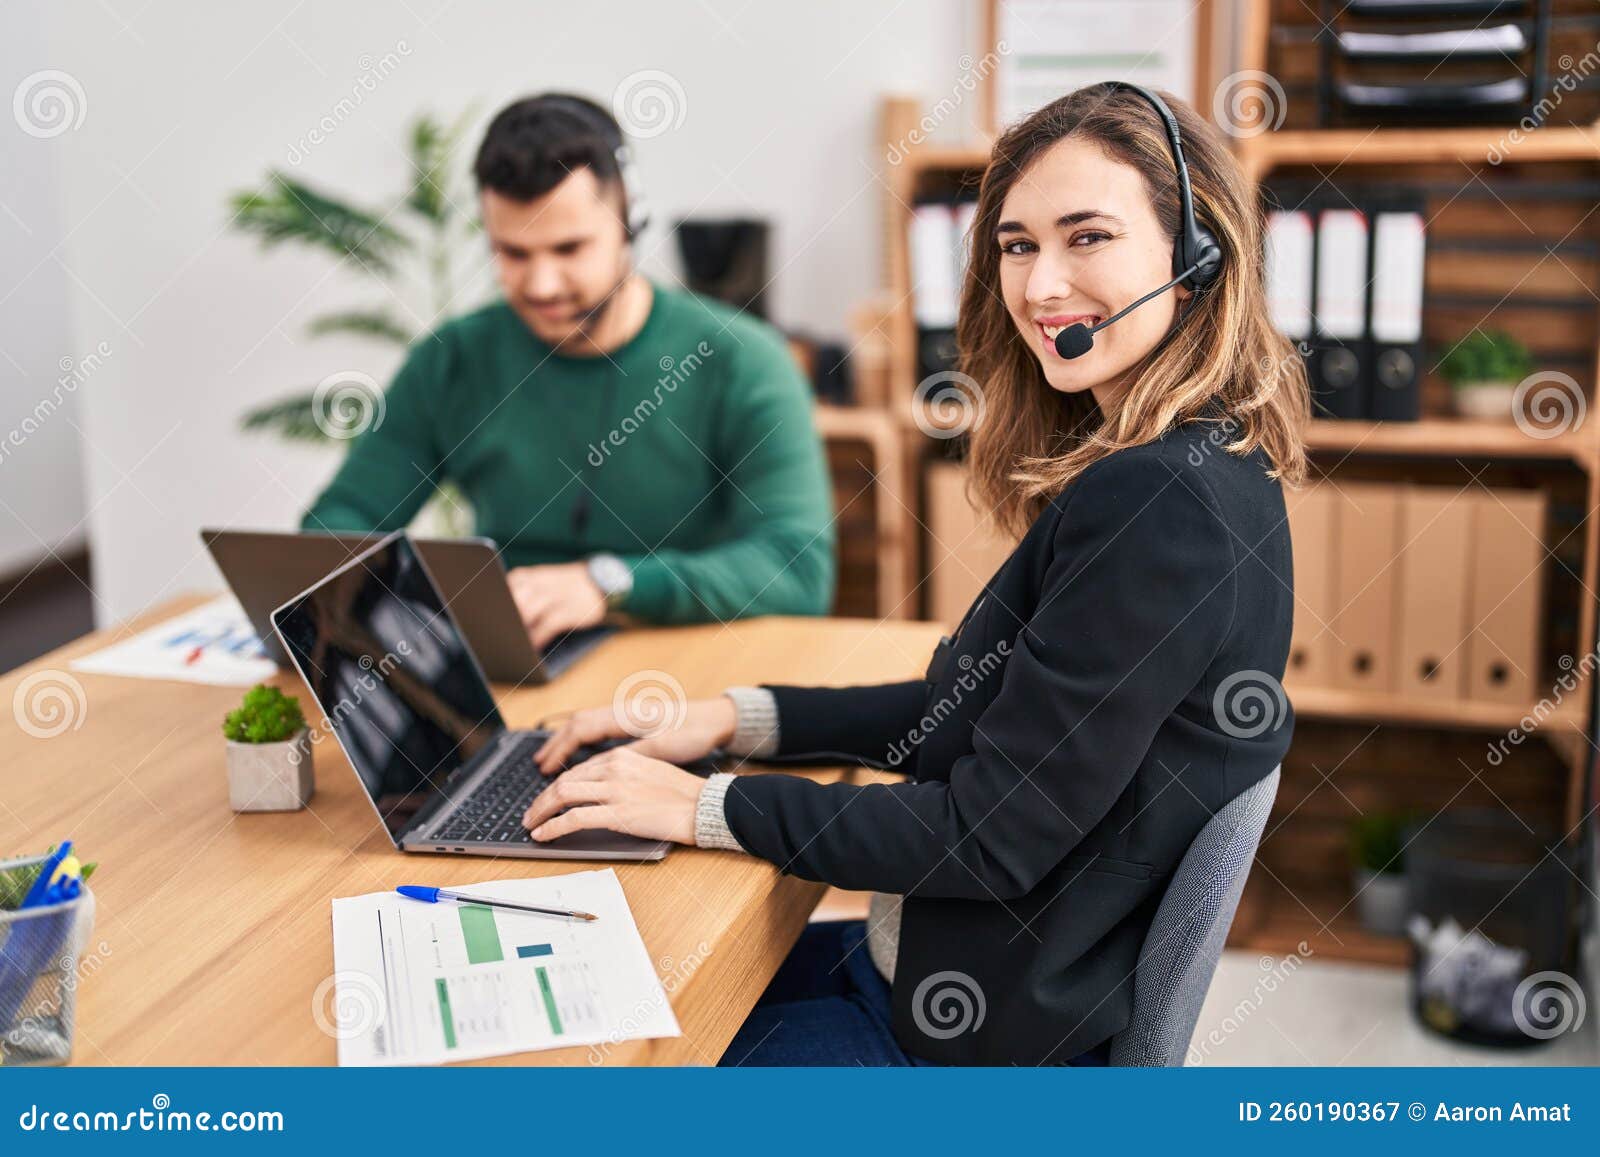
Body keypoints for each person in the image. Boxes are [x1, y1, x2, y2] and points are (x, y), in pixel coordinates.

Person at [519, 82, 1311, 1065]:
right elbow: (975, 710)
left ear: (1193, 261)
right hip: (938, 969)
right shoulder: (1189, 466)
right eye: (1016, 245)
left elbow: (988, 835)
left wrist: (696, 804)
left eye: (1087, 236)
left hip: (959, 1036)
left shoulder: (1160, 508)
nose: (1040, 285)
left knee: (589, 1067)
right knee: (625, 993)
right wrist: (730, 721)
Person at [302, 94, 835, 648]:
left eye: (569, 248)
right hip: (516, 672)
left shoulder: (742, 360)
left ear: (631, 222)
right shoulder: (453, 359)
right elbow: (344, 523)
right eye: (512, 253)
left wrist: (611, 584)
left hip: (686, 678)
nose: (541, 285)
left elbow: (796, 570)